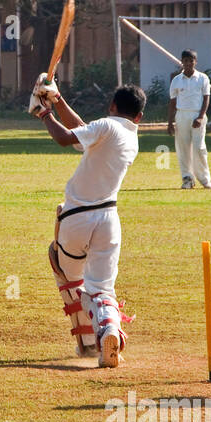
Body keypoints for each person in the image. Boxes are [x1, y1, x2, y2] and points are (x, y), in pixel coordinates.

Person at [32, 80, 145, 368]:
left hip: (77, 218)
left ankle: (86, 342)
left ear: (112, 106)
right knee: (101, 288)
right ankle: (108, 331)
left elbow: (65, 138)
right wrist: (57, 100)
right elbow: (81, 131)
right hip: (108, 220)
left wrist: (43, 114)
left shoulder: (106, 126)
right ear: (139, 116)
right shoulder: (130, 137)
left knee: (68, 276)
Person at [167, 49, 211, 189]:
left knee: (199, 148)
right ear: (182, 62)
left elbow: (206, 99)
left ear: (195, 62)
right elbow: (172, 103)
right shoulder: (176, 80)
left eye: (191, 60)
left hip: (197, 115)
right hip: (181, 115)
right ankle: (187, 179)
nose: (188, 63)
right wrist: (170, 122)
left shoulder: (203, 78)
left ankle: (205, 180)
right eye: (185, 60)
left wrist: (200, 117)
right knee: (183, 148)